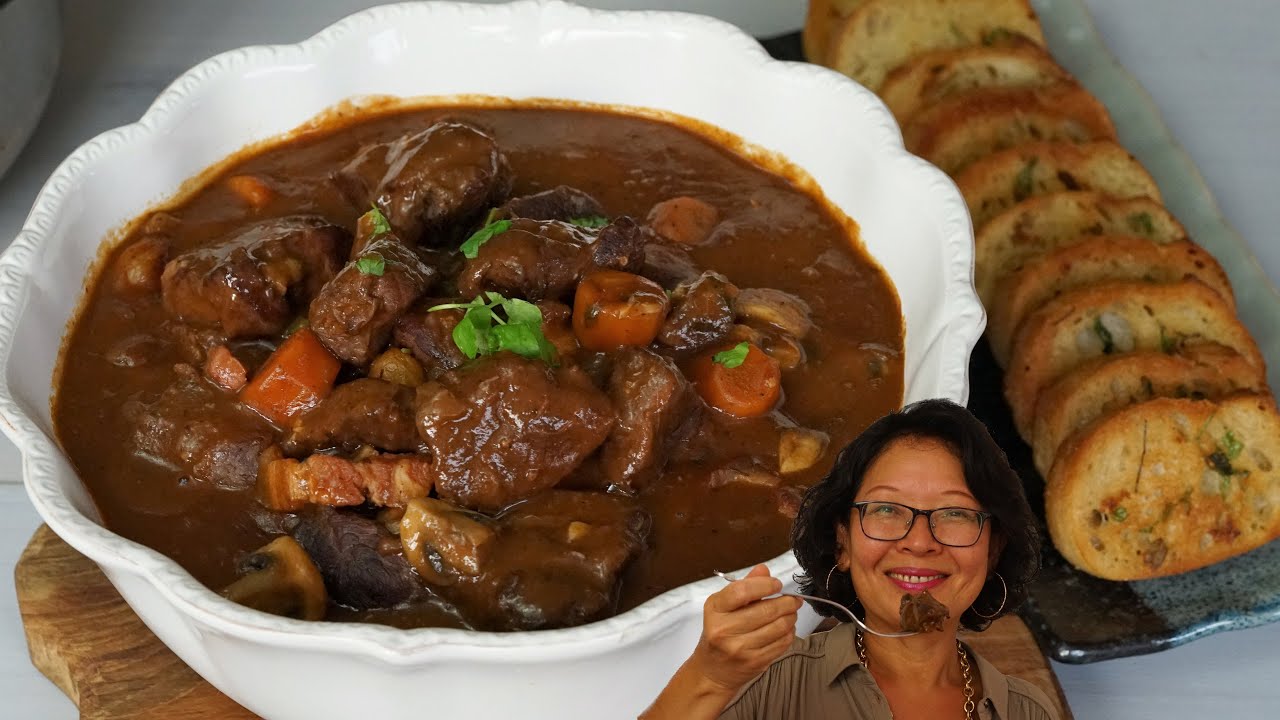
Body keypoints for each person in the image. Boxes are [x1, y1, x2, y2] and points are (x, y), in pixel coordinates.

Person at [642, 399, 1059, 719]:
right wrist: (710, 678)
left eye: (954, 514)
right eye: (886, 510)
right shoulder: (768, 682)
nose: (918, 542)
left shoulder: (1026, 710)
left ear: (993, 548)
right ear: (842, 544)